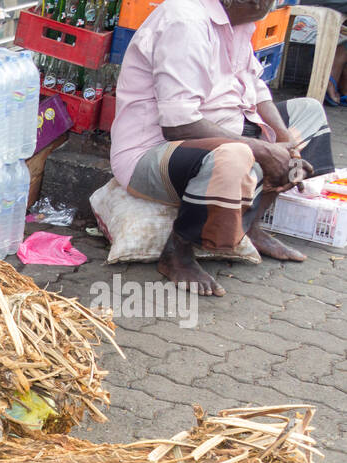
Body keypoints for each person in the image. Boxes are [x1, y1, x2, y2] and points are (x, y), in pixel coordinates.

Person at [109, 0, 336, 296]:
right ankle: (178, 253)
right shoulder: (186, 22)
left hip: (225, 128)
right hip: (154, 151)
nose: (278, 3)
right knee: (235, 156)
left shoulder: (239, 18)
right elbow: (178, 124)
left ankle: (250, 226)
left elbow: (254, 85)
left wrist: (282, 139)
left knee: (309, 115)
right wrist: (263, 150)